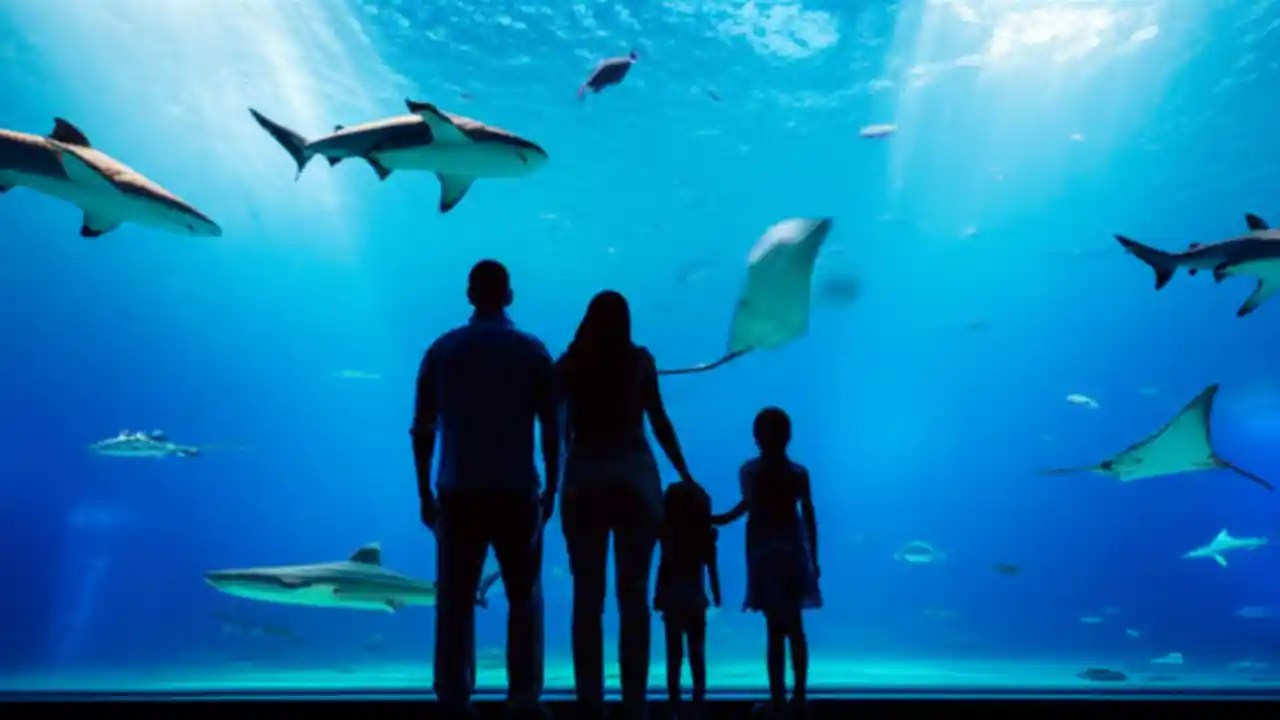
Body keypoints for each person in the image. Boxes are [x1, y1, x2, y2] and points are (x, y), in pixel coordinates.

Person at [410, 259, 559, 719]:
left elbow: (422, 429)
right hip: (517, 492)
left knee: (454, 602)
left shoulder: (443, 350)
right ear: (509, 295)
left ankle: (454, 699)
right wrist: (551, 487)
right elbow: (553, 429)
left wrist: (424, 494)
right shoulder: (532, 351)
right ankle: (524, 699)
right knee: (524, 596)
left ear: (469, 294)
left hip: (458, 493)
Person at [557, 290, 696, 720]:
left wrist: (551, 480)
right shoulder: (641, 361)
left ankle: (589, 701)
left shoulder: (573, 363)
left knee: (587, 598)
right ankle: (635, 702)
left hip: (584, 484)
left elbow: (553, 413)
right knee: (633, 598)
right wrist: (685, 475)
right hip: (635, 483)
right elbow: (658, 420)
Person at [713, 407, 821, 720]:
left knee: (774, 630)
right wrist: (814, 558)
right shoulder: (798, 473)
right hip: (793, 554)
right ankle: (799, 698)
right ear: (789, 436)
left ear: (756, 437)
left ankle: (777, 701)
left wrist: (715, 518)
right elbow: (809, 517)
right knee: (796, 628)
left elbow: (746, 506)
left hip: (763, 556)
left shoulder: (750, 472)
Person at [654, 478, 721, 720]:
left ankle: (674, 704)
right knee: (697, 654)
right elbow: (712, 567)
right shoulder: (703, 535)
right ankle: (698, 704)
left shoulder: (667, 534)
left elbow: (663, 568)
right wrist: (717, 593)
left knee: (674, 656)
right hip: (695, 599)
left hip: (672, 599)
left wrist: (657, 596)